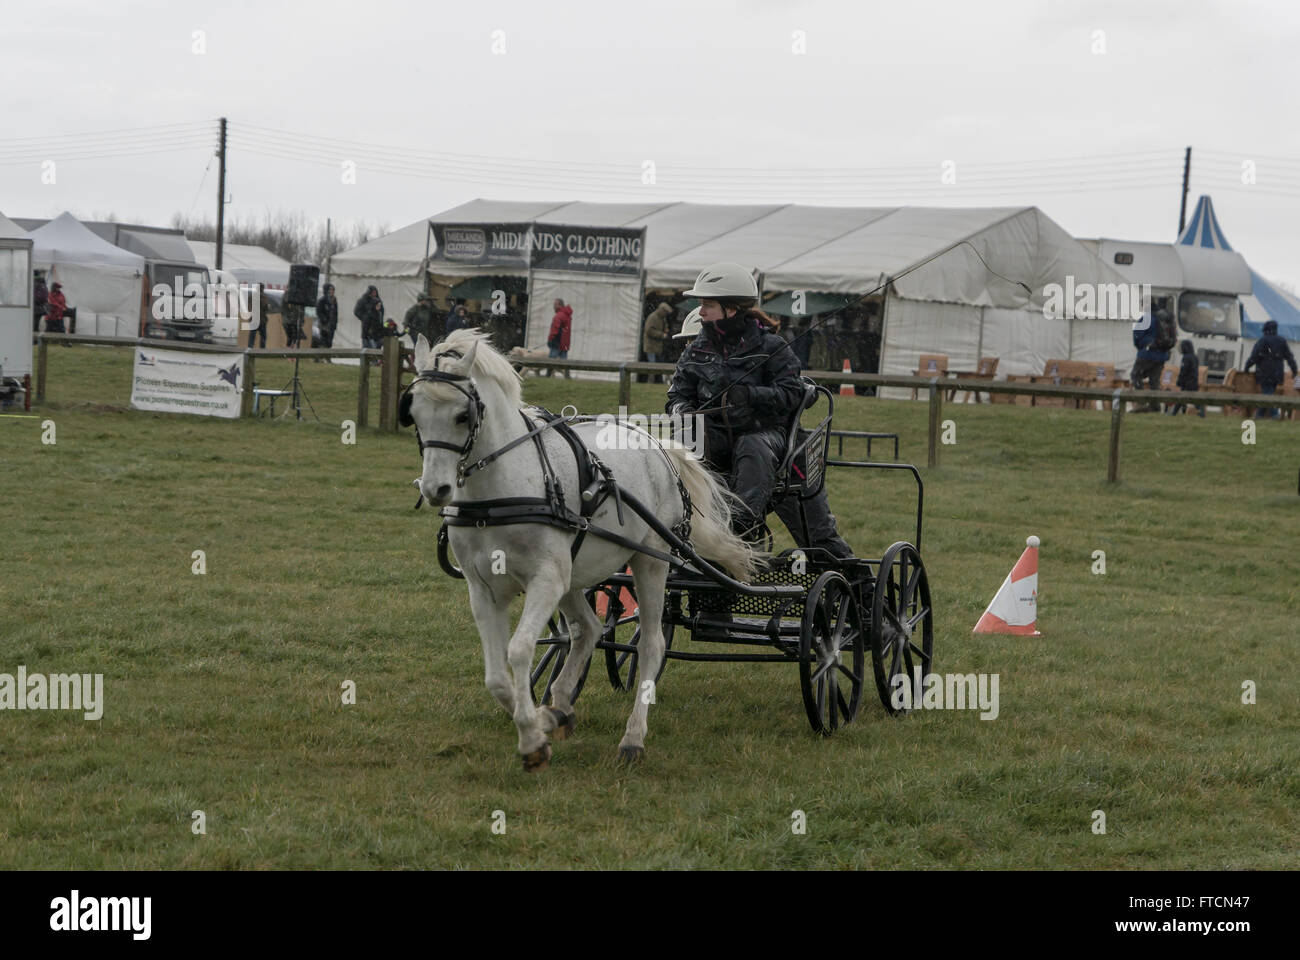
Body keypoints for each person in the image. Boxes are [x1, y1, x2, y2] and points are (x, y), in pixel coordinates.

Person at [667, 262, 805, 542]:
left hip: (765, 435)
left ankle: (740, 524)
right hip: (716, 433)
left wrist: (752, 395)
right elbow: (677, 395)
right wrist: (684, 412)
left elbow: (793, 394)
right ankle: (684, 512)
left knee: (750, 444)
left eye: (708, 305)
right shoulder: (695, 350)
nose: (701, 311)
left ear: (731, 309)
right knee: (688, 434)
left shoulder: (773, 348)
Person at [1243, 319, 1298, 420]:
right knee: (1269, 392)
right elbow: (1289, 357)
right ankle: (1261, 415)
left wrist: (1247, 367)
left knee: (1267, 393)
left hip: (1264, 371)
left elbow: (1254, 356)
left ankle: (1273, 414)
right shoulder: (1282, 341)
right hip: (1277, 372)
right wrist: (1294, 370)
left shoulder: (1263, 340)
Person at [1131, 303, 1172, 413]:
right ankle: (1155, 406)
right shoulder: (1163, 318)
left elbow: (1137, 336)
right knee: (1154, 381)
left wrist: (1141, 348)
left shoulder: (1146, 318)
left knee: (1135, 375)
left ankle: (1141, 401)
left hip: (1148, 354)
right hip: (1162, 356)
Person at [1166, 339, 1205, 418]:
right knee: (1190, 399)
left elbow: (1184, 371)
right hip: (1193, 382)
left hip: (1187, 383)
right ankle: (1201, 413)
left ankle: (1173, 413)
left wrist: (1180, 381)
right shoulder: (1194, 357)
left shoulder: (1186, 358)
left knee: (1183, 398)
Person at [641, 302, 672, 383]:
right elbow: (649, 331)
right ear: (662, 310)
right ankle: (650, 382)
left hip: (658, 347)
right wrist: (662, 335)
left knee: (658, 365)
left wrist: (666, 329)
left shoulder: (662, 318)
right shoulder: (652, 317)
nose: (666, 314)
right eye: (666, 312)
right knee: (652, 366)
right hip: (650, 346)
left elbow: (665, 327)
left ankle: (657, 382)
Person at [354, 285, 385, 355]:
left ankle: (374, 361)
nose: (374, 294)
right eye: (373, 293)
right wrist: (365, 318)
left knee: (376, 347)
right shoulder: (363, 301)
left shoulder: (378, 301)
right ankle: (366, 361)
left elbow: (381, 315)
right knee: (366, 346)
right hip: (367, 327)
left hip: (377, 329)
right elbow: (357, 311)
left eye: (375, 293)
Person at [547, 298, 572, 378]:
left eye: (555, 304)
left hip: (557, 341)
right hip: (565, 342)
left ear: (560, 305)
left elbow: (555, 329)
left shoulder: (559, 316)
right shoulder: (567, 315)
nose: (553, 306)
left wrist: (550, 339)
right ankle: (567, 376)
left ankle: (548, 376)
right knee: (564, 361)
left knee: (552, 359)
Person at [315, 283, 339, 352]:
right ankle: (320, 356)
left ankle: (327, 357)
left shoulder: (334, 300)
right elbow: (319, 312)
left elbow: (335, 313)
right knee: (323, 341)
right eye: (331, 290)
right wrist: (324, 319)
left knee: (329, 342)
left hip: (331, 324)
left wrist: (335, 323)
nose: (332, 291)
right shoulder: (322, 300)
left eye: (333, 290)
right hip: (324, 324)